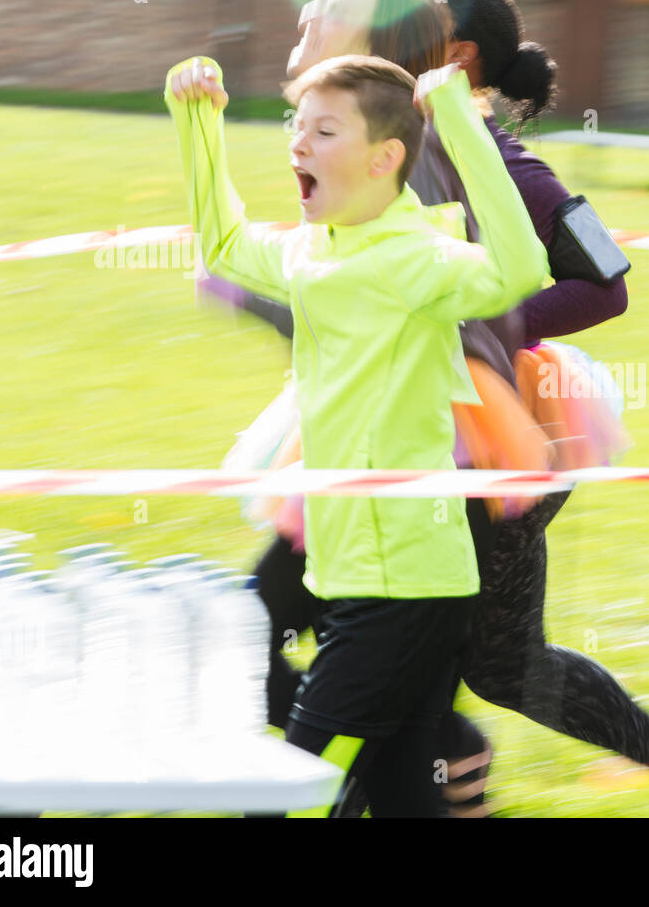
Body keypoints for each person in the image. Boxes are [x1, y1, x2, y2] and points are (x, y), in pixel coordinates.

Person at [227, 0, 649, 817]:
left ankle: (436, 755)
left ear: (435, 52)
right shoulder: (358, 135)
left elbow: (603, 280)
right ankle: (444, 753)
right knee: (444, 660)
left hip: (465, 434)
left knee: (437, 654)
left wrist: (484, 327)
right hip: (377, 423)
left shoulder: (477, 153)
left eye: (334, 11)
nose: (309, 12)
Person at [164, 52, 547, 816]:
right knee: (404, 792)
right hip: (353, 579)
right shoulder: (314, 251)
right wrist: (198, 120)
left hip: (405, 584)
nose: (298, 146)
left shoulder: (416, 258)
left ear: (385, 159)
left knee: (284, 792)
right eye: (294, 128)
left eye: (323, 131)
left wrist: (464, 130)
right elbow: (226, 248)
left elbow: (520, 269)